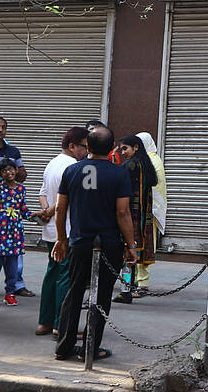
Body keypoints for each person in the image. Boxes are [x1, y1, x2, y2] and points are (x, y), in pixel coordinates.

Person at [53, 126, 137, 362]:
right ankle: (90, 348)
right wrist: (131, 244)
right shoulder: (119, 173)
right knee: (102, 295)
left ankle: (63, 346)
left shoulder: (71, 171)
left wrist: (61, 238)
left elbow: (61, 208)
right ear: (112, 148)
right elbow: (122, 213)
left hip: (80, 241)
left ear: (87, 147)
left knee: (75, 291)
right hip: (109, 243)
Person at [37, 127, 88, 336]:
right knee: (66, 277)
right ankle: (62, 324)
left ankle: (45, 322)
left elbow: (43, 192)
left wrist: (46, 211)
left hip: (52, 228)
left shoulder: (52, 163)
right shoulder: (74, 167)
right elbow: (66, 200)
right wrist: (50, 210)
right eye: (84, 146)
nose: (86, 150)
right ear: (72, 146)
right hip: (65, 230)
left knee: (52, 274)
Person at [0, 116, 35, 296]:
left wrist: (18, 173)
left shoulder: (13, 151)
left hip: (13, 224)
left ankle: (15, 287)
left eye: (3, 127)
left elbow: (22, 174)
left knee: (14, 256)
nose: (0, 130)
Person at [113, 135, 159, 305]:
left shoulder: (129, 165)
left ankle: (126, 291)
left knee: (126, 255)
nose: (123, 152)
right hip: (142, 217)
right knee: (131, 257)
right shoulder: (146, 164)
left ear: (136, 147)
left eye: (125, 148)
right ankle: (127, 289)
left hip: (129, 216)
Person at [0, 159, 33, 306]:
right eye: (4, 171)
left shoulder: (21, 189)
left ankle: (10, 293)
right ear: (0, 174)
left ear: (16, 170)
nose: (9, 173)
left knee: (12, 265)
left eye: (11, 169)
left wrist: (33, 216)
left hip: (15, 230)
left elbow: (23, 208)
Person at [134, 133, 166, 294]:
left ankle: (141, 283)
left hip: (146, 213)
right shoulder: (144, 160)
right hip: (137, 212)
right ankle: (130, 282)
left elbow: (155, 189)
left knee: (144, 246)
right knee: (133, 247)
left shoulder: (152, 161)